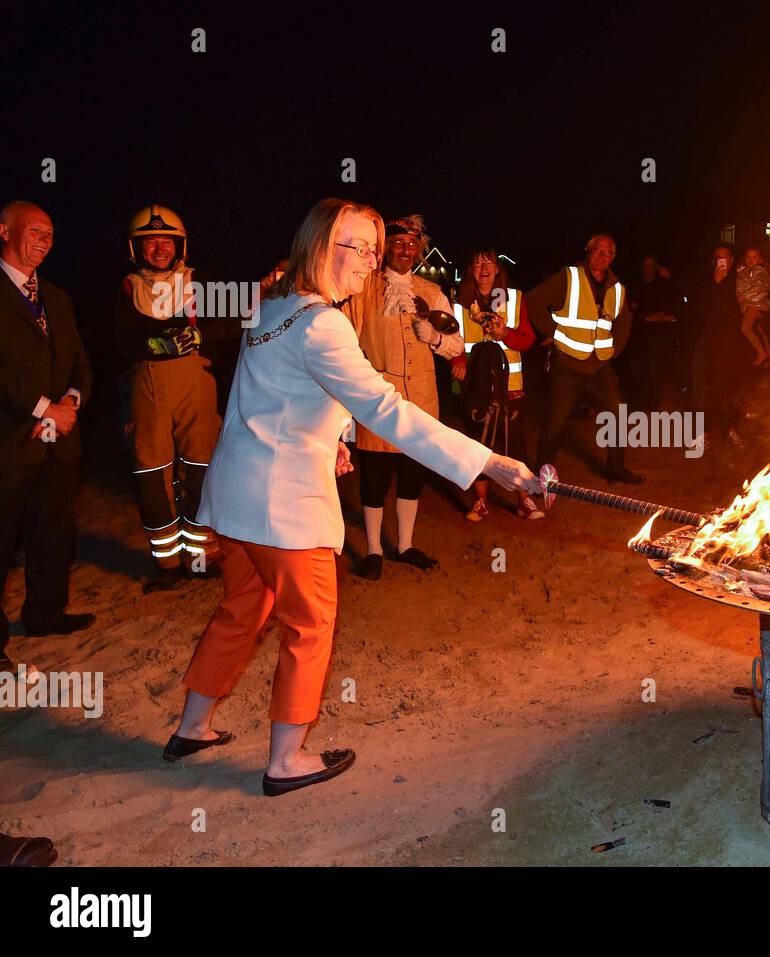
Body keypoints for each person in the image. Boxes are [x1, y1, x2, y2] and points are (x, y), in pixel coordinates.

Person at [168, 199, 540, 797]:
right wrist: (487, 461)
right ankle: (286, 760)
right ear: (319, 245)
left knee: (243, 608)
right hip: (282, 508)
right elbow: (386, 409)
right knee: (310, 624)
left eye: (373, 247)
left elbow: (270, 392)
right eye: (357, 247)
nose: (369, 261)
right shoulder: (323, 322)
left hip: (236, 495)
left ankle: (192, 727)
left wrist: (334, 436)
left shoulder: (274, 307)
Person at [0, 201, 95, 673]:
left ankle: (45, 614)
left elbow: (79, 358)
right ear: (5, 231)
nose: (43, 241)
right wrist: (43, 409)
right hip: (11, 438)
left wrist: (70, 405)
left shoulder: (55, 296)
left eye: (50, 234)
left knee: (53, 530)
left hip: (59, 438)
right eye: (34, 231)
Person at [341, 214, 463, 580]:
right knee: (374, 478)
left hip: (422, 399)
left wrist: (436, 338)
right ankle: (375, 550)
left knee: (412, 475)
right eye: (397, 243)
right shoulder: (364, 291)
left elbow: (456, 343)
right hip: (378, 398)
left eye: (412, 245)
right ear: (384, 248)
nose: (405, 250)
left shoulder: (431, 292)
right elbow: (344, 338)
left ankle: (406, 545)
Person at [113, 204, 224, 591]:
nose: (159, 249)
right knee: (151, 473)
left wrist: (199, 335)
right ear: (136, 248)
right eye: (151, 242)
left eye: (166, 241)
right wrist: (153, 343)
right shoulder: (127, 287)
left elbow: (231, 321)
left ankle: (199, 558)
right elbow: (117, 338)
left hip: (196, 382)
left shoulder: (200, 282)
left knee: (201, 470)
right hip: (148, 385)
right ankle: (167, 565)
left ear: (180, 245)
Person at [529, 234, 643, 483]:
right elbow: (534, 301)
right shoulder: (569, 277)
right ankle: (542, 474)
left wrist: (616, 349)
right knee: (556, 421)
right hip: (568, 364)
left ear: (614, 257)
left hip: (599, 365)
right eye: (599, 251)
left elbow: (624, 321)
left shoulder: (617, 288)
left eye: (609, 253)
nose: (603, 256)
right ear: (588, 250)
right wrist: (554, 333)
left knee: (618, 414)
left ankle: (615, 468)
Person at [451, 247, 541, 521]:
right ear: (470, 270)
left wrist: (506, 333)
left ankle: (525, 498)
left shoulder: (514, 299)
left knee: (513, 444)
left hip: (510, 387)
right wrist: (457, 360)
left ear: (498, 269)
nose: (484, 268)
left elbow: (528, 340)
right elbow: (451, 339)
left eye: (488, 262)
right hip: (475, 388)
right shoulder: (458, 302)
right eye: (477, 263)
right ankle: (480, 501)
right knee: (477, 444)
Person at [694, 244, 745, 447]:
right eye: (717, 258)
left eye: (725, 257)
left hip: (735, 343)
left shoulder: (741, 280)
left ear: (732, 260)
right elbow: (699, 308)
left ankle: (731, 429)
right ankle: (704, 433)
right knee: (712, 388)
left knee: (733, 389)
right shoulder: (707, 281)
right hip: (713, 343)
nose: (721, 261)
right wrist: (715, 282)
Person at [625, 254, 681, 412]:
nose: (649, 268)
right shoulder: (635, 286)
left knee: (655, 371)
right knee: (638, 371)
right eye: (646, 264)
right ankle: (637, 405)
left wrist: (670, 278)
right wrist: (647, 317)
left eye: (652, 264)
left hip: (658, 337)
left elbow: (676, 303)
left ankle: (652, 406)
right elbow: (629, 311)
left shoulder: (662, 285)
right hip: (639, 336)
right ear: (642, 267)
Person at [735, 246, 770, 367]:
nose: (750, 259)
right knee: (759, 329)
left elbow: (759, 286)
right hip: (751, 304)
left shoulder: (759, 271)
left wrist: (744, 296)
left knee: (745, 328)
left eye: (754, 257)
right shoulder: (744, 271)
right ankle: (768, 352)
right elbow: (742, 286)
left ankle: (761, 352)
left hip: (756, 304)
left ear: (760, 260)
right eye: (748, 257)